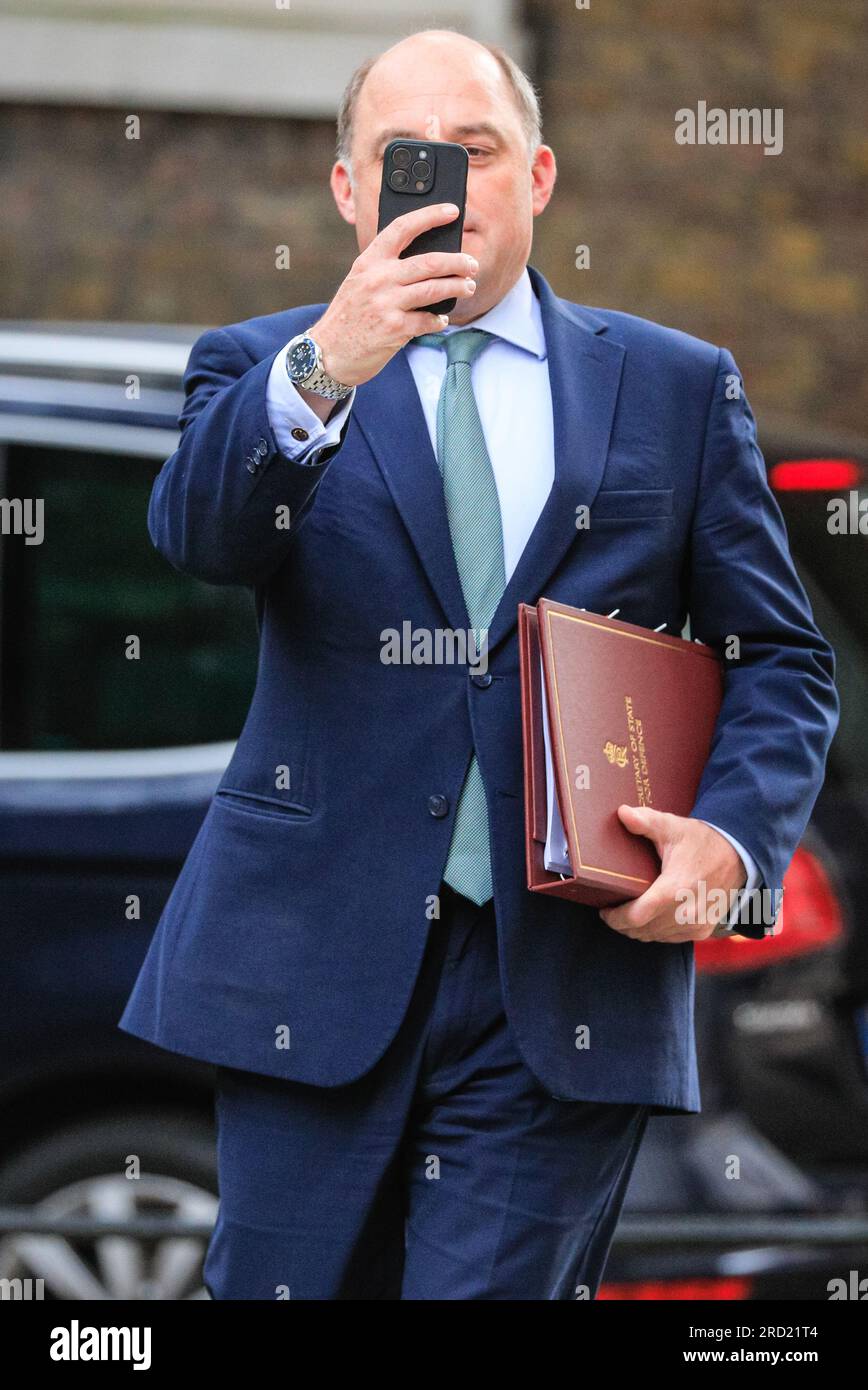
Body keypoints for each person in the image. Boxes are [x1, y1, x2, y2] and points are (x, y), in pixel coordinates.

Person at [119, 28, 839, 1300]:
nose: (445, 179)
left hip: (563, 981)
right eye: (407, 156)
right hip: (311, 963)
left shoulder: (674, 388)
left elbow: (779, 654)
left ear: (541, 176)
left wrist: (729, 845)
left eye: (480, 150)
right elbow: (201, 539)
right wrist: (331, 363)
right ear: (349, 190)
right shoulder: (262, 368)